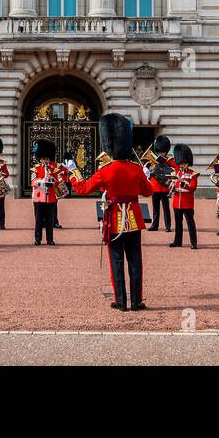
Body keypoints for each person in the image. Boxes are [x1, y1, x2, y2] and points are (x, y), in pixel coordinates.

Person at [69, 113, 153, 311]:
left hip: (114, 219)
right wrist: (146, 176)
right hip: (133, 219)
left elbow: (81, 189)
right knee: (135, 262)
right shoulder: (135, 169)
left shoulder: (105, 171)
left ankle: (121, 301)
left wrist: (73, 171)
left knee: (116, 262)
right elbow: (148, 192)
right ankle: (137, 301)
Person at [167, 143, 199, 249]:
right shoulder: (176, 172)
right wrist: (170, 185)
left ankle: (193, 242)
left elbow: (193, 187)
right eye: (181, 163)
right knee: (178, 224)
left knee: (190, 224)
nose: (182, 165)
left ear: (188, 163)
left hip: (187, 203)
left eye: (184, 163)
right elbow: (173, 184)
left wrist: (184, 183)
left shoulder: (193, 174)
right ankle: (177, 241)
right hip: (177, 202)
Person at [30, 138, 61, 246]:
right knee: (38, 220)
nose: (45, 161)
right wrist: (41, 181)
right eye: (43, 159)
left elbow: (57, 183)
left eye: (47, 159)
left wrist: (52, 179)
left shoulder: (54, 170)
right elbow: (33, 182)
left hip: (51, 197)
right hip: (39, 197)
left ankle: (50, 239)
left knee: (50, 220)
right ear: (40, 159)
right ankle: (37, 238)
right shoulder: (35, 169)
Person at [145, 135, 174, 232]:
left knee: (166, 208)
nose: (161, 153)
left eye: (163, 151)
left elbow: (175, 169)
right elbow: (148, 173)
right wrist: (149, 169)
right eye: (159, 151)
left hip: (165, 187)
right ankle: (155, 225)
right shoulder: (152, 161)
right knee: (155, 208)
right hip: (155, 187)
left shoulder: (169, 160)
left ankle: (168, 225)